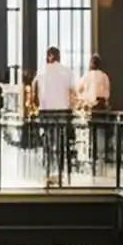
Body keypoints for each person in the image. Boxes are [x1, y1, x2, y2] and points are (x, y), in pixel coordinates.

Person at [33, 47, 76, 186]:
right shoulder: (67, 71)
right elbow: (72, 91)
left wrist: (38, 104)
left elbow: (34, 91)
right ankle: (60, 173)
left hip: (45, 111)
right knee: (61, 143)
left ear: (48, 56)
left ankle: (48, 172)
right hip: (62, 111)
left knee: (48, 142)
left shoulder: (41, 70)